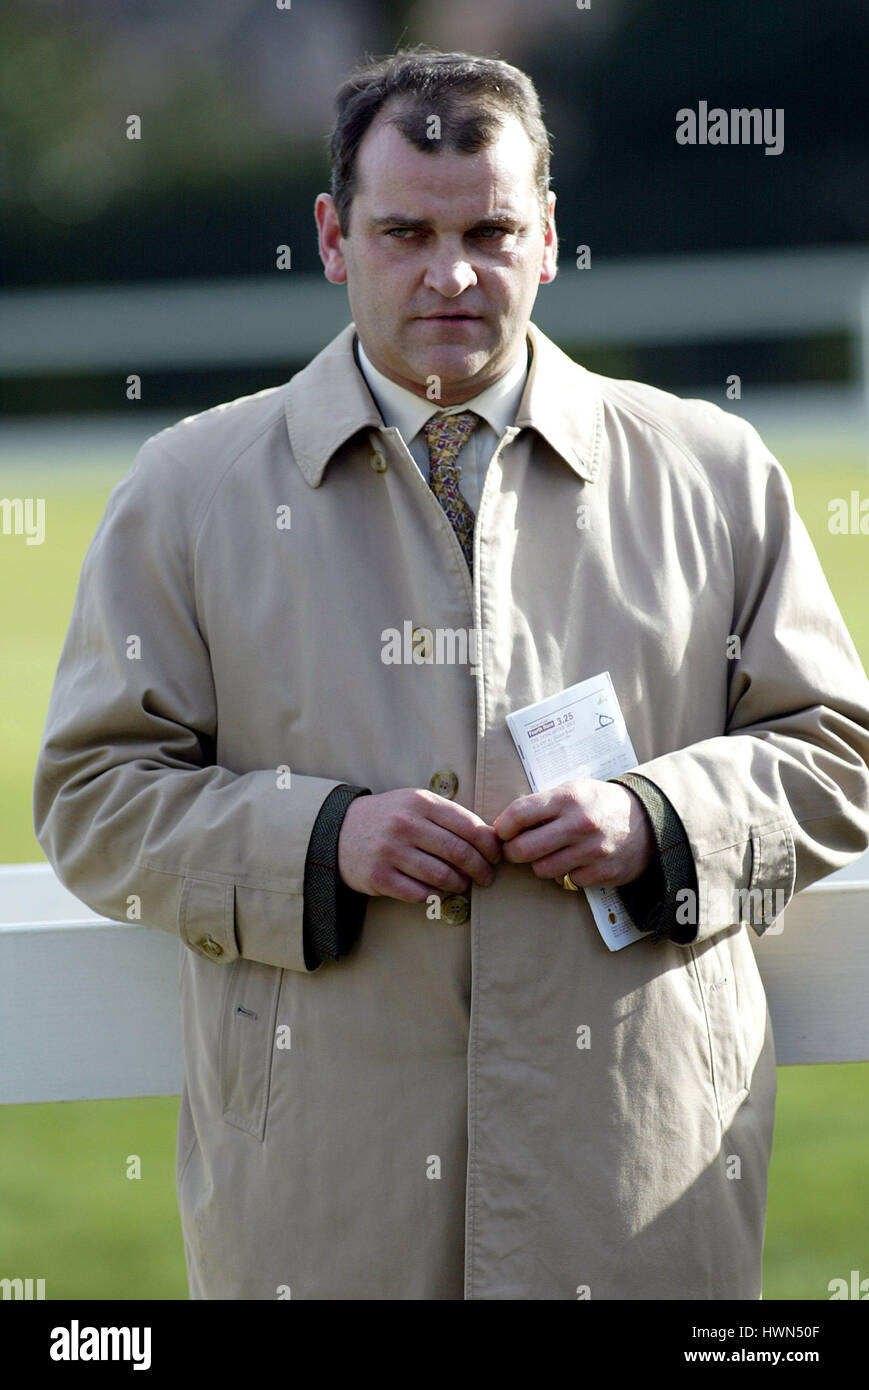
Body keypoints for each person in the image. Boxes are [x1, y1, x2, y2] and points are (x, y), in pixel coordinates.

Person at [33, 47, 869, 1301]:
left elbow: (834, 753)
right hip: (318, 1190)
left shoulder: (714, 469)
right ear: (331, 236)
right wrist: (320, 841)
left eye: (488, 229)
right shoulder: (187, 489)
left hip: (640, 1172)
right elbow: (93, 796)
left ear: (546, 237)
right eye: (404, 231)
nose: (450, 273)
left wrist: (656, 819)